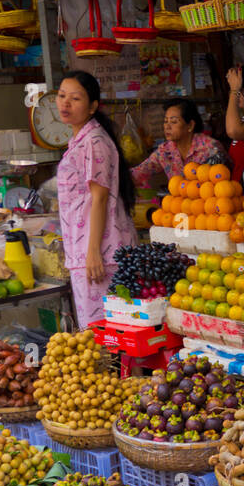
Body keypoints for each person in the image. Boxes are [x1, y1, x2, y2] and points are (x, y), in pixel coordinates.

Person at [55, 69, 138, 329]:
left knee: (104, 335)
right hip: (90, 253)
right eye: (61, 96)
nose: (65, 103)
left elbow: (99, 198)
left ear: (92, 106)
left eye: (75, 98)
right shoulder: (82, 139)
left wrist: (92, 254)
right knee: (102, 333)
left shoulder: (93, 141)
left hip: (101, 255)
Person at [131, 97, 226, 191]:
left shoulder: (210, 149)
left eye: (173, 122)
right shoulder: (165, 150)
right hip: (178, 204)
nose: (167, 127)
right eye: (165, 121)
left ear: (190, 125)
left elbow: (222, 185)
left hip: (209, 203)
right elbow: (140, 172)